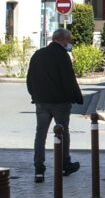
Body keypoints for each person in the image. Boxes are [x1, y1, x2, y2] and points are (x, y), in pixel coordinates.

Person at [26, 27, 84, 185]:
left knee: (40, 135)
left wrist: (35, 96)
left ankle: (39, 169)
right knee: (63, 133)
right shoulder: (62, 56)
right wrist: (77, 98)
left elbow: (30, 79)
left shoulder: (38, 54)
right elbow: (69, 80)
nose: (69, 43)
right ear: (62, 40)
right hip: (60, 103)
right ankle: (65, 165)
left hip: (41, 102)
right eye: (69, 40)